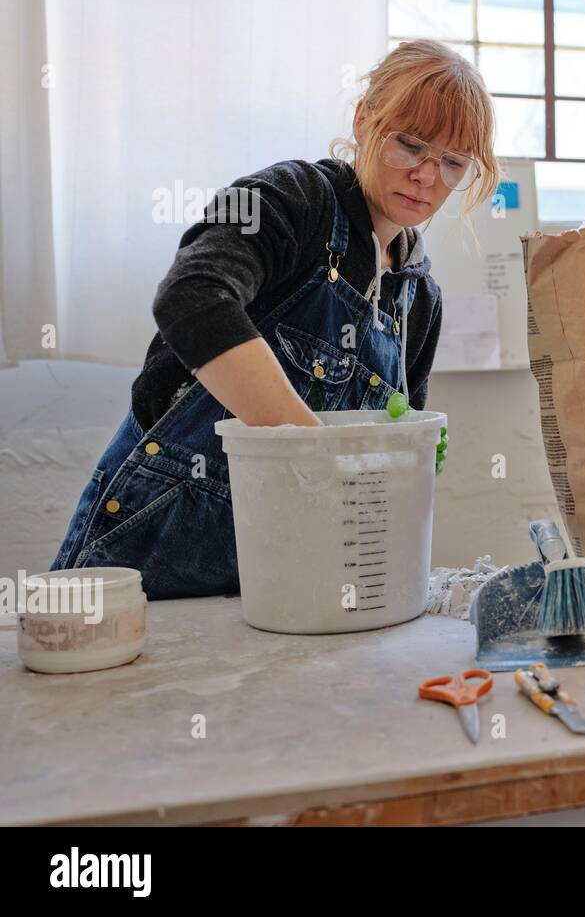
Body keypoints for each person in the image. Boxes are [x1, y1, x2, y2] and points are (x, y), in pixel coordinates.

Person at [51, 40, 500, 598]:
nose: (426, 176)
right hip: (150, 549)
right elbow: (192, 298)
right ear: (364, 120)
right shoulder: (295, 201)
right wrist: (312, 451)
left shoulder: (419, 299)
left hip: (289, 576)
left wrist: (410, 452)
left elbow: (384, 470)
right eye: (409, 146)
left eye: (453, 162)